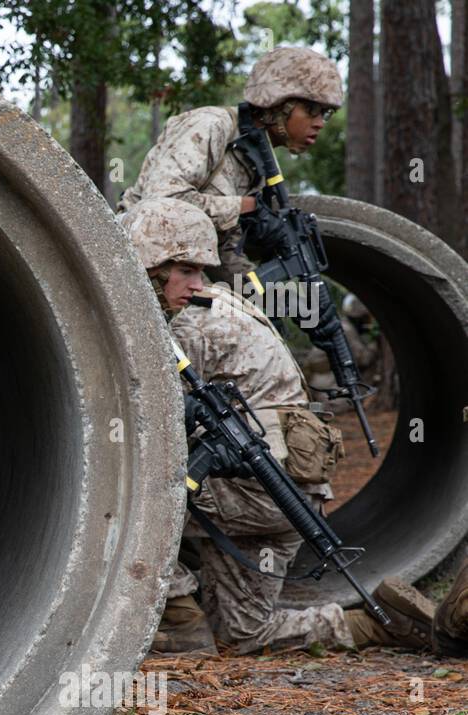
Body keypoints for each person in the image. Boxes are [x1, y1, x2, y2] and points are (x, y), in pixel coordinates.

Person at [121, 197, 441, 657]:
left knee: (124, 494)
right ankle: (371, 628)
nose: (194, 284)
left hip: (259, 491)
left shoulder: (189, 329)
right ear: (150, 269)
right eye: (183, 271)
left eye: (198, 271)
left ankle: (176, 613)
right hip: (286, 493)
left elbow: (146, 426)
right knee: (243, 634)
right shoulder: (221, 304)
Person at [118, 46, 343, 289]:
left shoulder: (256, 163)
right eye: (312, 110)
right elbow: (160, 204)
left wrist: (265, 297)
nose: (319, 123)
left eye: (326, 114)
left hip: (180, 278)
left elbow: (225, 253)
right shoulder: (211, 126)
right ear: (279, 104)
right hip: (135, 264)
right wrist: (245, 207)